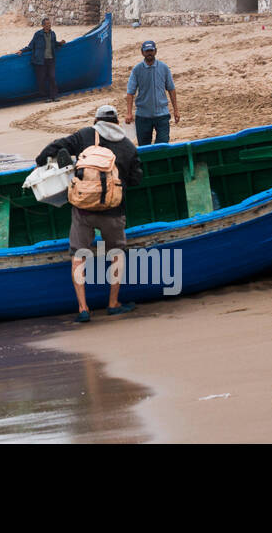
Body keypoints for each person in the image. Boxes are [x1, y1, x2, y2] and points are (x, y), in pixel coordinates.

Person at [36, 105, 143, 322]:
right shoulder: (127, 147)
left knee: (78, 256)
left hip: (83, 210)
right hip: (113, 211)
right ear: (116, 123)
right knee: (116, 254)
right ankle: (113, 303)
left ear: (97, 121)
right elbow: (135, 179)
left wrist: (40, 161)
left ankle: (83, 308)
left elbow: (55, 147)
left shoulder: (86, 135)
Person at [126, 41, 179, 145]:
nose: (149, 53)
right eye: (147, 51)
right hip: (143, 116)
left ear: (155, 51)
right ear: (142, 52)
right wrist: (129, 113)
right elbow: (130, 92)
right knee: (144, 147)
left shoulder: (164, 68)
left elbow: (171, 89)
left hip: (162, 115)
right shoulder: (137, 70)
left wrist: (176, 110)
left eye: (151, 51)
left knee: (163, 145)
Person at [20, 17, 61, 102]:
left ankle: (54, 96)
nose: (49, 25)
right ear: (42, 25)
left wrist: (60, 43)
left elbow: (54, 44)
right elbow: (31, 46)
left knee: (52, 78)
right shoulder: (38, 34)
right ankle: (46, 97)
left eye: (49, 24)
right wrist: (22, 51)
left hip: (51, 60)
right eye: (47, 24)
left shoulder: (53, 34)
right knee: (41, 80)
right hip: (40, 61)